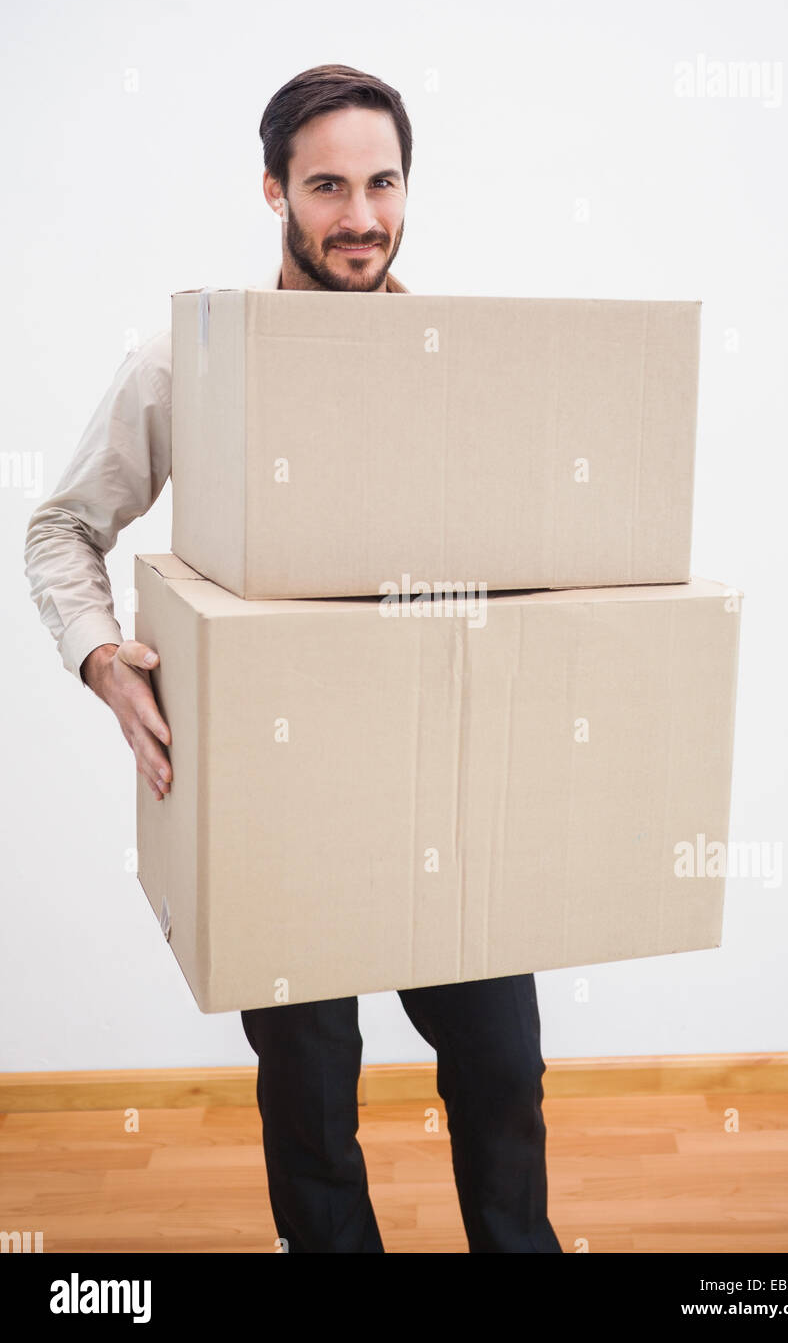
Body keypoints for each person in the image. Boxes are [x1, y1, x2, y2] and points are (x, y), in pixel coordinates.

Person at [23, 63, 562, 1254]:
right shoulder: (190, 359)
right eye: (326, 185)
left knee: (501, 1073)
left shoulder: (462, 363)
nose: (360, 216)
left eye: (381, 182)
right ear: (272, 191)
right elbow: (62, 526)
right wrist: (102, 659)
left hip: (442, 788)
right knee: (311, 1098)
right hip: (281, 800)